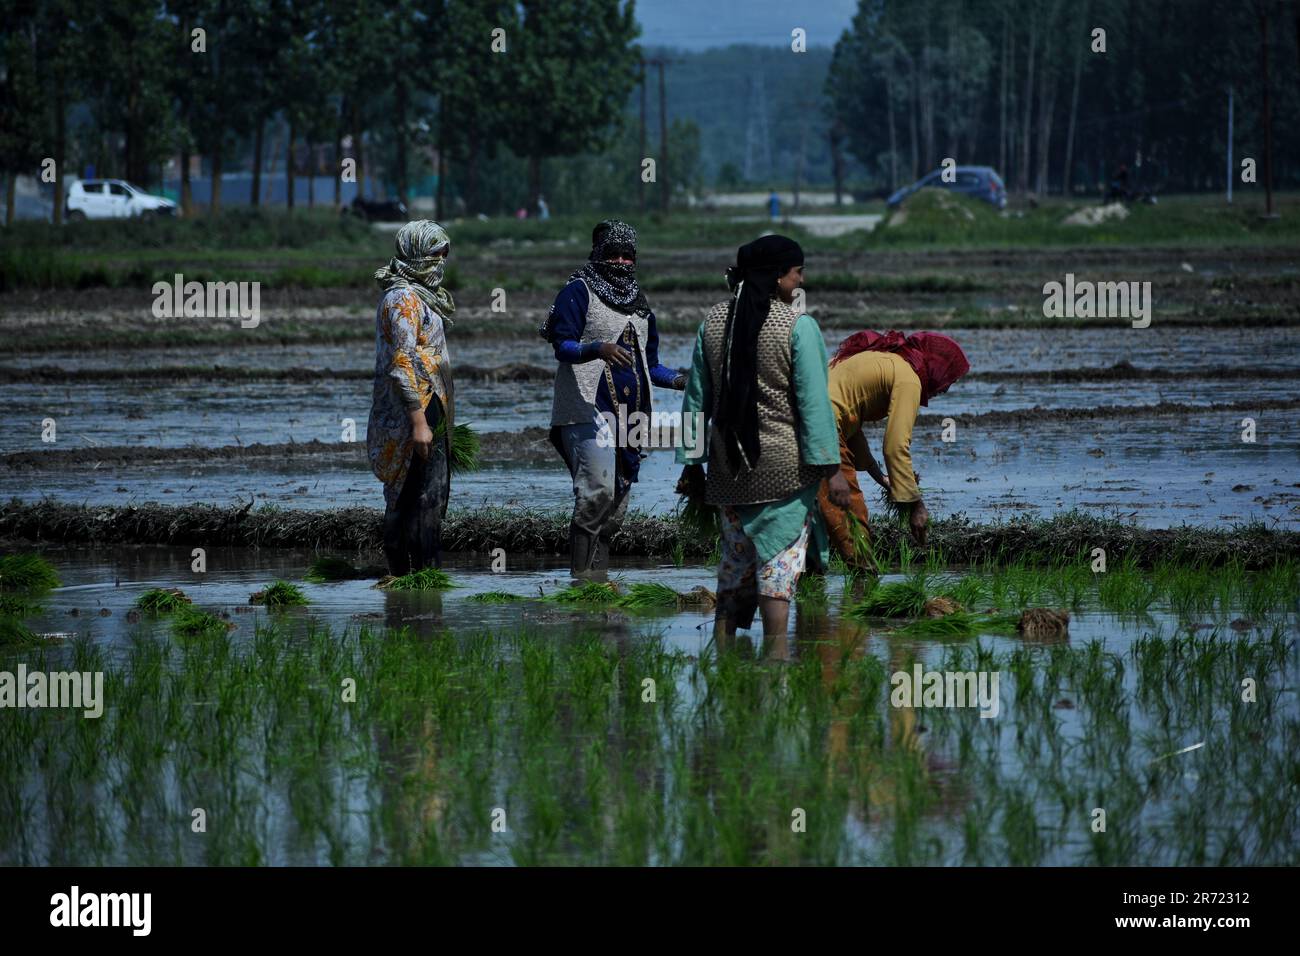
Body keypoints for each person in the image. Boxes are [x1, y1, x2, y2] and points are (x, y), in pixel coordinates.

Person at [676, 235, 852, 642]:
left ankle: (725, 659)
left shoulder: (714, 323)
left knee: (734, 568)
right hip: (784, 475)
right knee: (778, 567)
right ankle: (774, 662)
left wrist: (692, 463)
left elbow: (695, 401)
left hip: (727, 471)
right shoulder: (798, 326)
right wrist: (833, 470)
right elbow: (813, 404)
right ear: (776, 277)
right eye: (797, 273)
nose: (801, 282)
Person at [541, 220, 685, 577]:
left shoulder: (639, 305)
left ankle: (597, 580)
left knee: (616, 509)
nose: (621, 261)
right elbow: (563, 347)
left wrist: (682, 380)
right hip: (587, 408)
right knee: (596, 494)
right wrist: (598, 349)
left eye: (628, 256)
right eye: (613, 254)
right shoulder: (578, 291)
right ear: (598, 254)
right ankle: (579, 580)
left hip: (630, 417)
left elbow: (650, 366)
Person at [819, 330, 970, 564]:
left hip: (803, 422)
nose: (943, 388)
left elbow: (849, 427)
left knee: (809, 516)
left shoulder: (878, 359)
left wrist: (883, 479)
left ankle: (810, 586)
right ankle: (865, 581)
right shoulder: (909, 378)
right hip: (820, 429)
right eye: (947, 381)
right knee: (850, 514)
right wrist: (916, 505)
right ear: (937, 368)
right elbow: (895, 446)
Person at [367, 220, 457, 576]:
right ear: (416, 254)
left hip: (430, 406)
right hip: (411, 414)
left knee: (431, 498)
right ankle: (409, 578)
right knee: (413, 497)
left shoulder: (422, 296)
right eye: (436, 255)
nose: (441, 262)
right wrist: (420, 424)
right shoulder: (402, 298)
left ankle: (423, 582)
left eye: (445, 255)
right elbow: (401, 364)